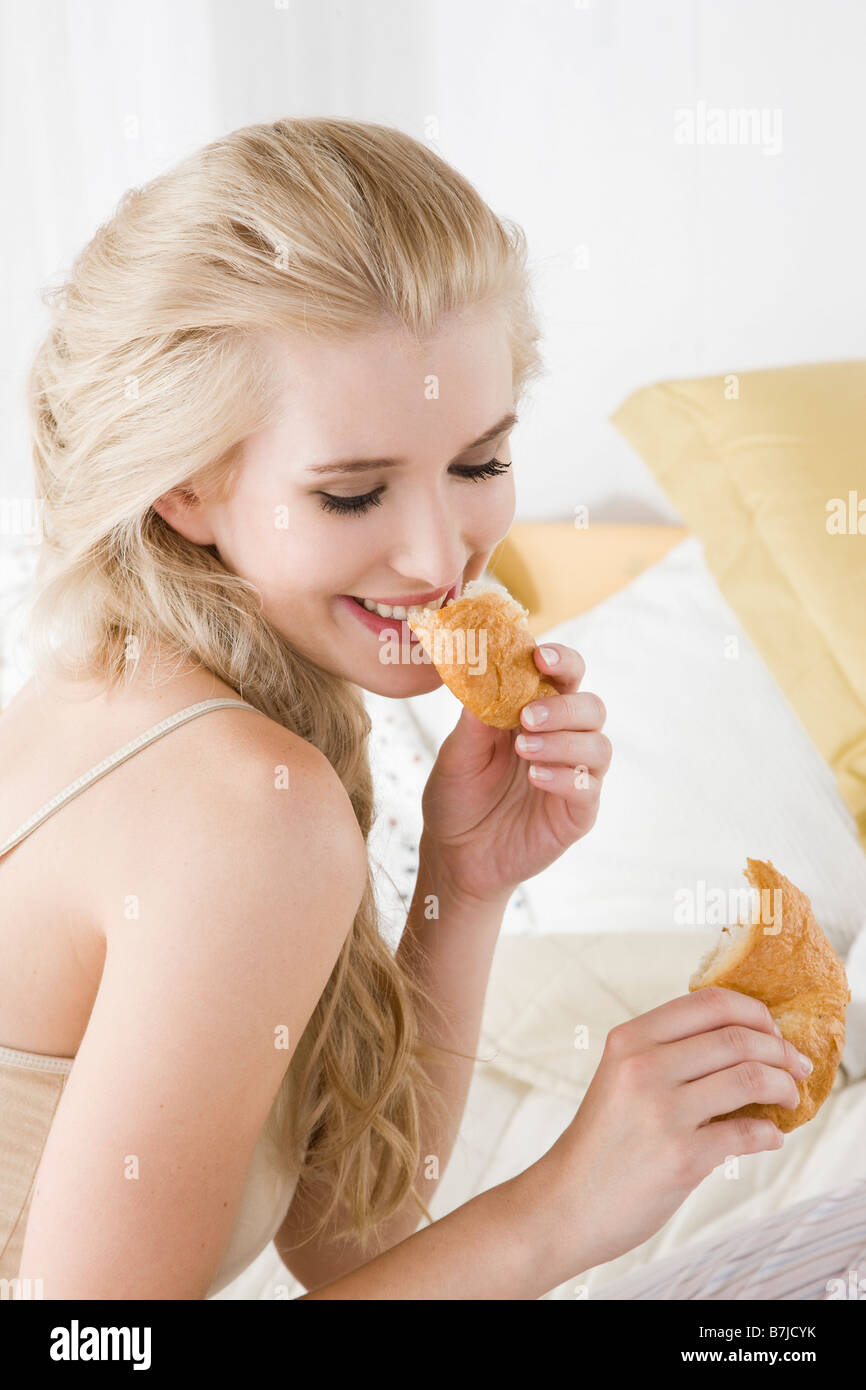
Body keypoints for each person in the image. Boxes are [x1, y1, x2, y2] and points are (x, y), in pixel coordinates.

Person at [0, 117, 856, 1301]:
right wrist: (559, 1208)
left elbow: (347, 1238)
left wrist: (464, 879)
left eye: (476, 464)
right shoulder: (242, 802)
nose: (439, 553)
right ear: (187, 483)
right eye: (352, 492)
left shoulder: (125, 675)